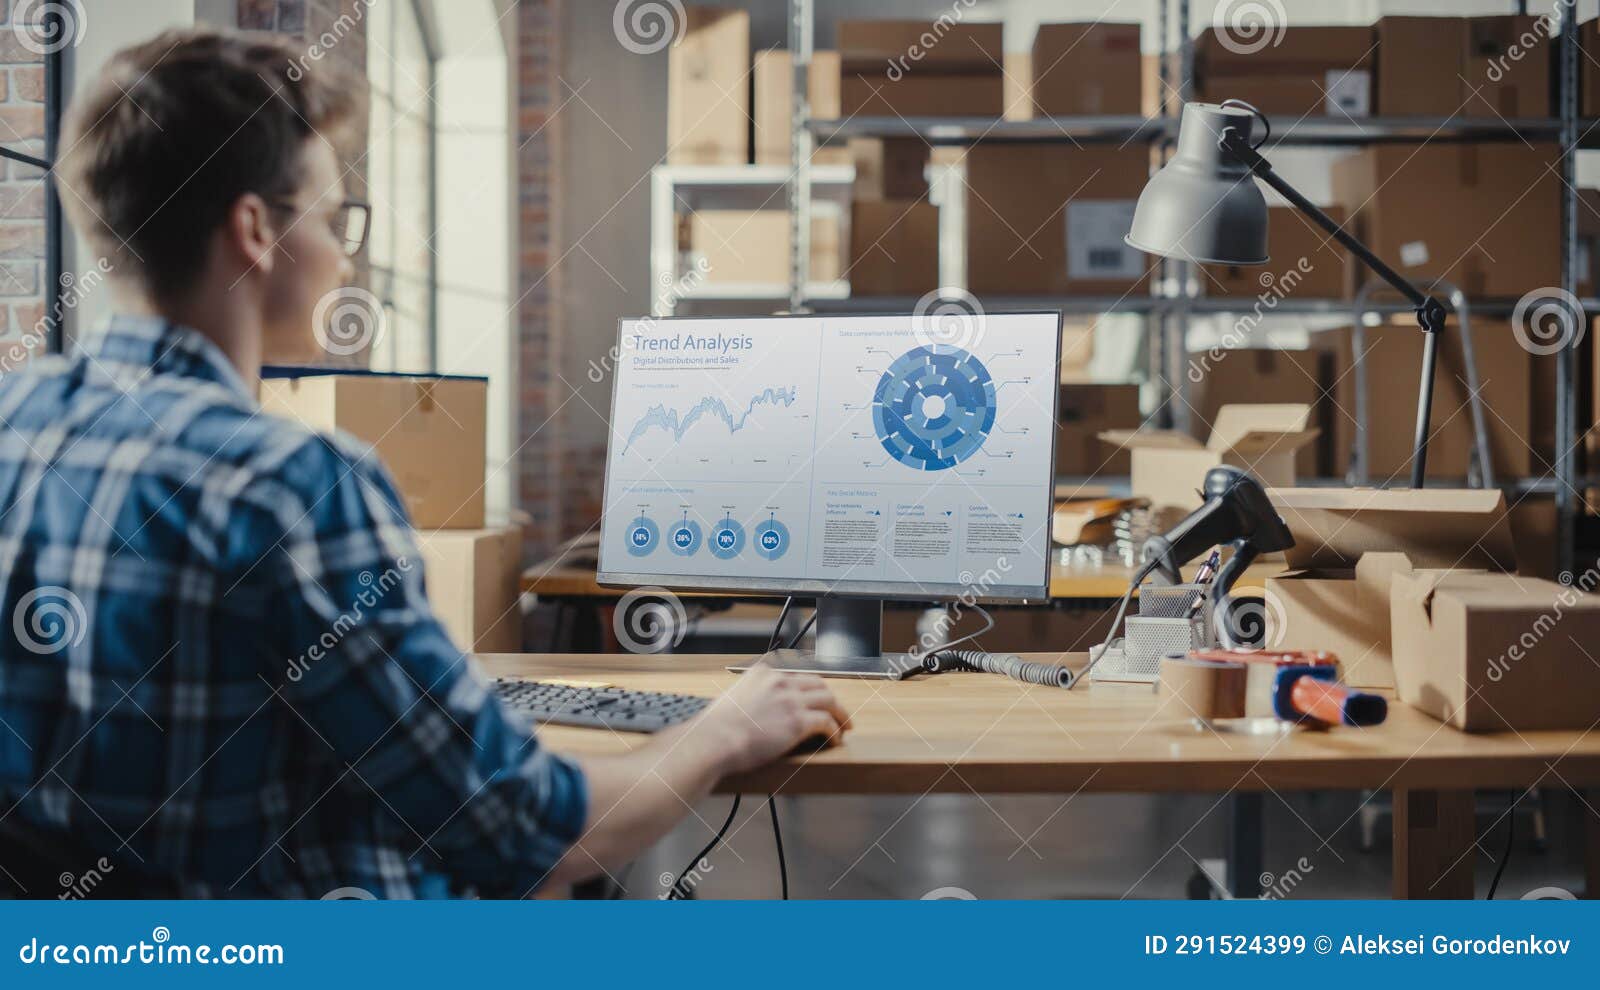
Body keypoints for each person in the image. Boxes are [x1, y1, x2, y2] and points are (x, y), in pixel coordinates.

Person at [0, 28, 848, 898]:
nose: (345, 254)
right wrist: (723, 730)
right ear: (255, 230)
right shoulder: (292, 485)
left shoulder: (14, 428)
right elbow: (524, 833)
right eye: (334, 219)